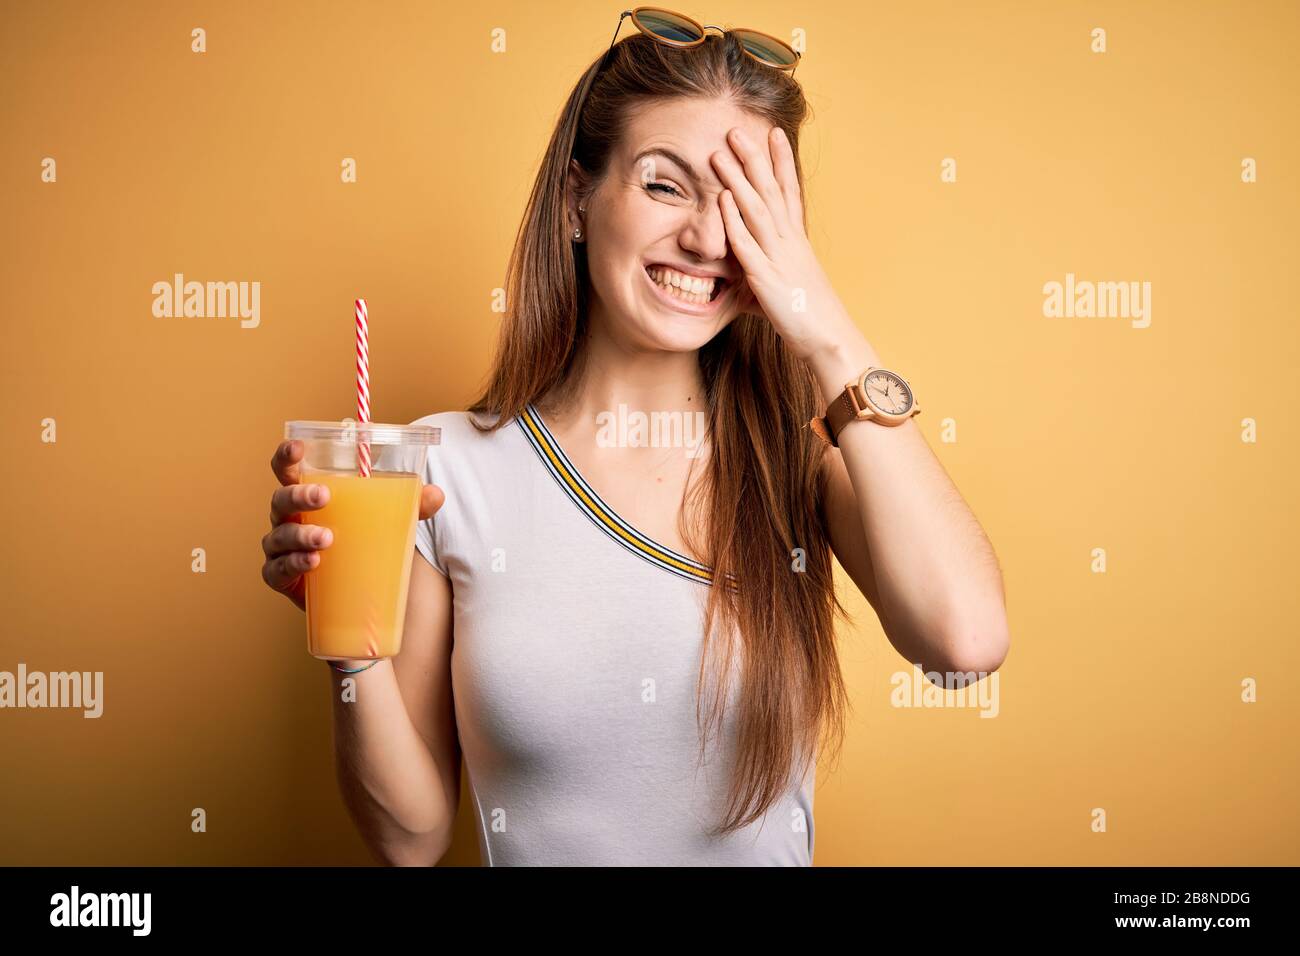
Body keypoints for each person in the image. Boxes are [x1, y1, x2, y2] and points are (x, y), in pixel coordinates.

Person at [261, 22, 1009, 866]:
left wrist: (826, 331)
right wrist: (349, 647)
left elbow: (966, 646)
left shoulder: (808, 461)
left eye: (743, 208)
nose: (707, 239)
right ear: (578, 199)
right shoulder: (444, 469)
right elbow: (412, 838)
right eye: (665, 186)